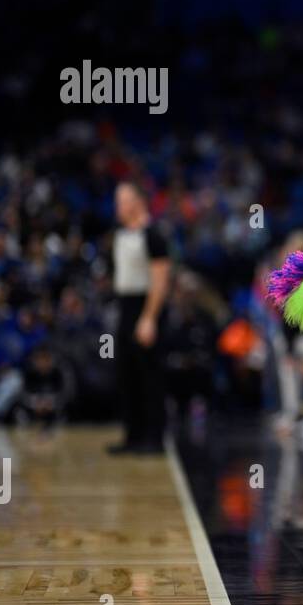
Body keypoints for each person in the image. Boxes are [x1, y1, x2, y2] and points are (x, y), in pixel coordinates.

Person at [110, 181, 171, 455]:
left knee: (150, 376)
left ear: (137, 202)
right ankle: (132, 436)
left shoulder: (154, 235)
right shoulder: (122, 234)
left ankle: (154, 439)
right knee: (127, 374)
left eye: (122, 200)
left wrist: (149, 318)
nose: (118, 207)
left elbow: (160, 280)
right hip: (124, 305)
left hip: (144, 305)